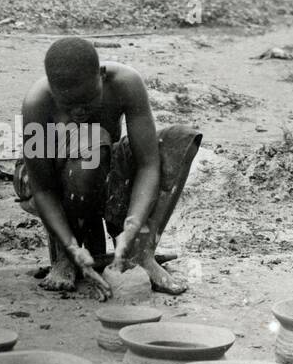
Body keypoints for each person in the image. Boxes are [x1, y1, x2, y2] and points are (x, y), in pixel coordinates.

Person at [16, 36, 202, 299]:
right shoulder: (37, 102)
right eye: (68, 106)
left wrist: (132, 227)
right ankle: (65, 258)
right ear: (52, 92)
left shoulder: (126, 83)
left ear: (101, 76)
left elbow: (148, 164)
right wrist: (71, 248)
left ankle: (140, 253)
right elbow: (43, 189)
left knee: (180, 141)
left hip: (103, 168)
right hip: (51, 176)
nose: (79, 112)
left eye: (88, 101)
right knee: (91, 139)